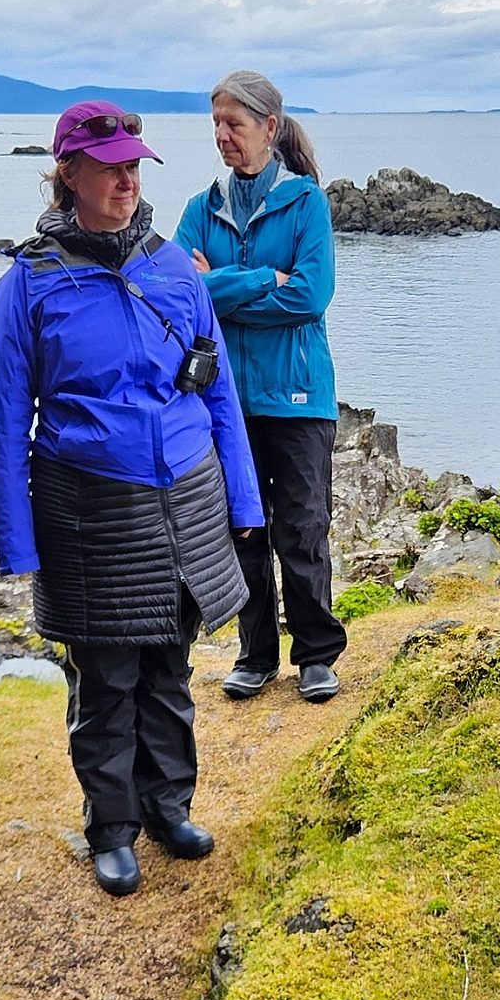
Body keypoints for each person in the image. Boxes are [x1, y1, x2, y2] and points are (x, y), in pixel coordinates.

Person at [0, 102, 263, 897]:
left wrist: (243, 501)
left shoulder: (174, 266)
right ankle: (110, 825)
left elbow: (219, 391)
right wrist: (18, 543)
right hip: (88, 508)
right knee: (105, 676)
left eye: (134, 164)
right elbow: (7, 418)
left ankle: (169, 805)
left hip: (186, 497)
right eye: (108, 166)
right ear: (68, 174)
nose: (125, 178)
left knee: (171, 666)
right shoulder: (30, 283)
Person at [174, 70, 348, 706]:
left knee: (301, 530)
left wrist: (222, 283)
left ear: (269, 129)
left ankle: (316, 656)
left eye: (235, 125)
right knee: (243, 528)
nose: (223, 136)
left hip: (299, 397)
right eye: (216, 124)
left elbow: (311, 295)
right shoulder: (200, 208)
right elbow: (179, 295)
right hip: (225, 400)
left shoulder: (306, 203)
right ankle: (255, 655)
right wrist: (261, 279)